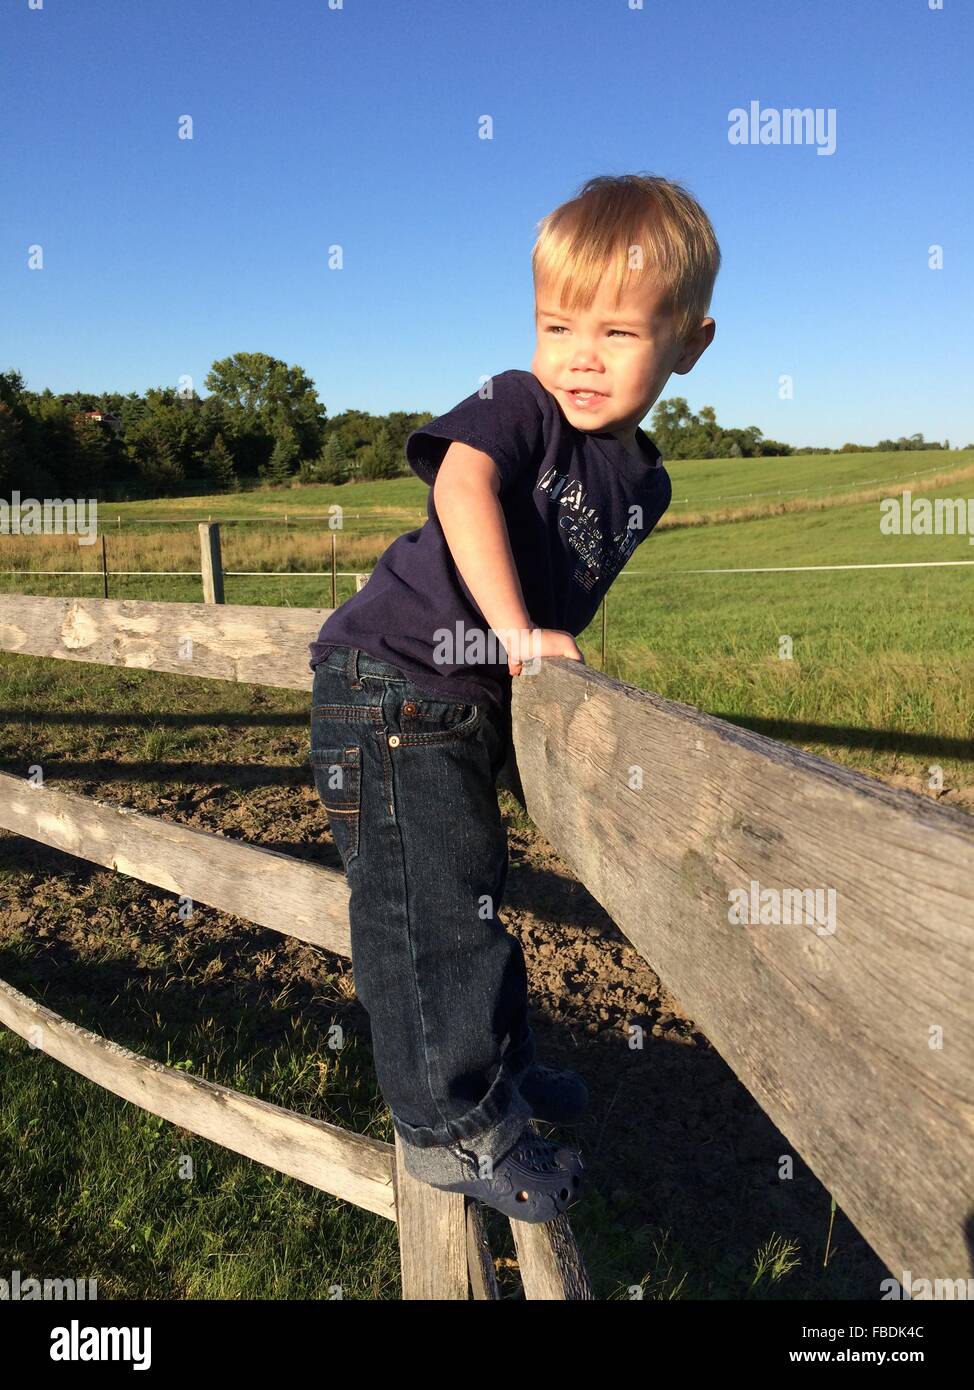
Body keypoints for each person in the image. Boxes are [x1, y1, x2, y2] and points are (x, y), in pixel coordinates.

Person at [307, 173, 719, 1223]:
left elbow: (562, 582)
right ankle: (449, 1127)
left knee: (475, 890)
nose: (579, 352)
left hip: (460, 697)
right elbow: (458, 487)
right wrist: (516, 636)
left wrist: (531, 670)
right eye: (556, 323)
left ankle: (501, 1072)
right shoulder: (519, 403)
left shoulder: (646, 481)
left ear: (688, 343)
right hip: (393, 680)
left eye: (618, 331)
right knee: (431, 909)